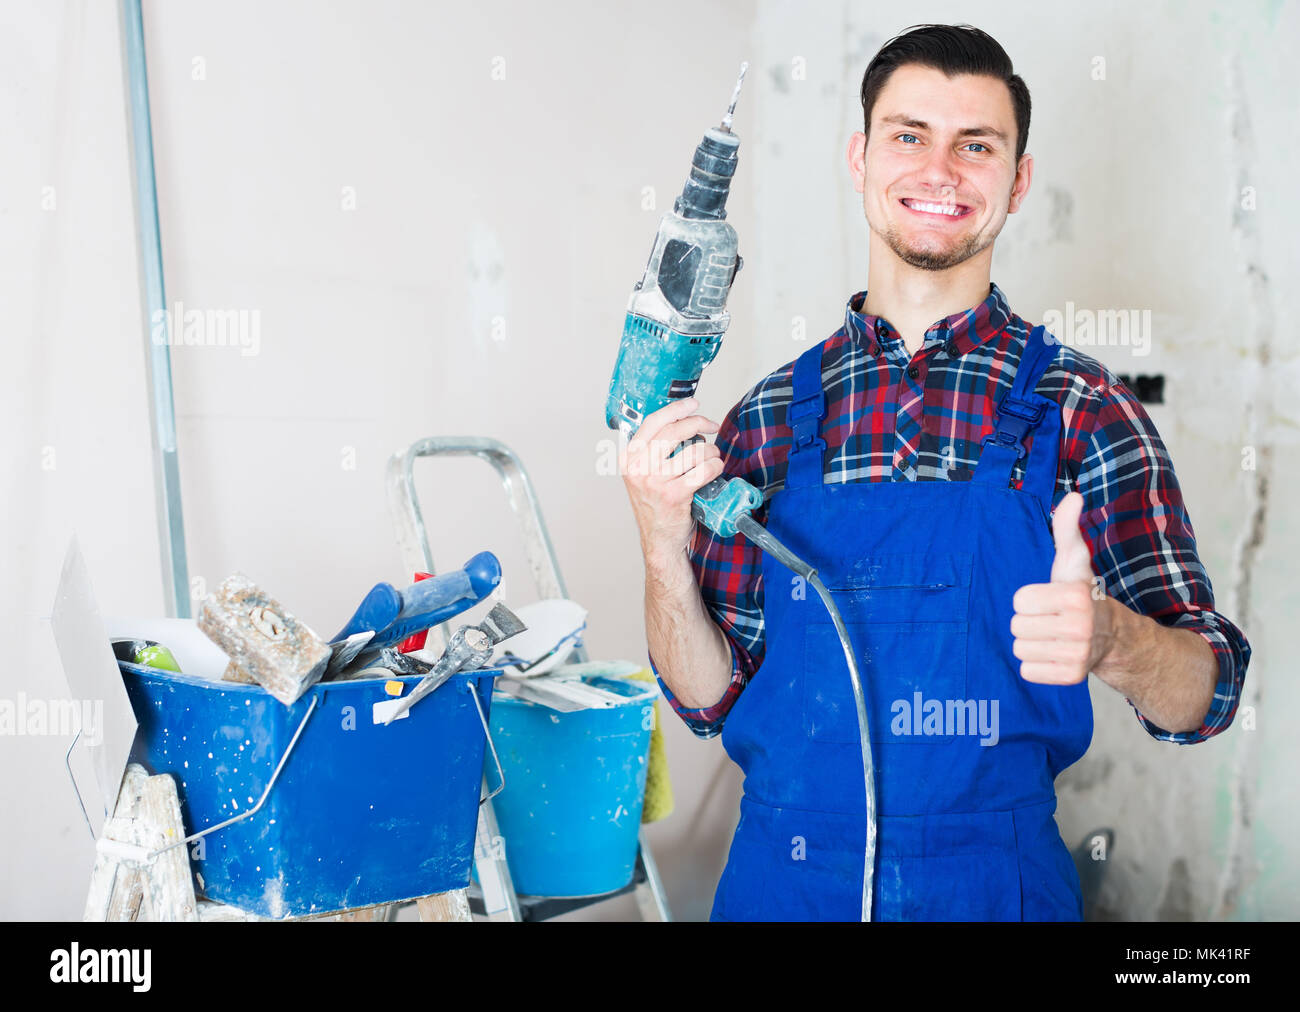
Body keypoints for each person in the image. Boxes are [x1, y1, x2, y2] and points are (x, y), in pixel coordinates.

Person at [618, 23, 1251, 921]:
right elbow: (706, 696)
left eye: (977, 145)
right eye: (909, 135)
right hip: (783, 883)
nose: (940, 172)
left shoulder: (1085, 410)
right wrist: (657, 546)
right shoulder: (762, 418)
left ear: (1018, 179)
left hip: (994, 887)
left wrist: (1113, 639)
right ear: (860, 157)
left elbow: (1207, 694)